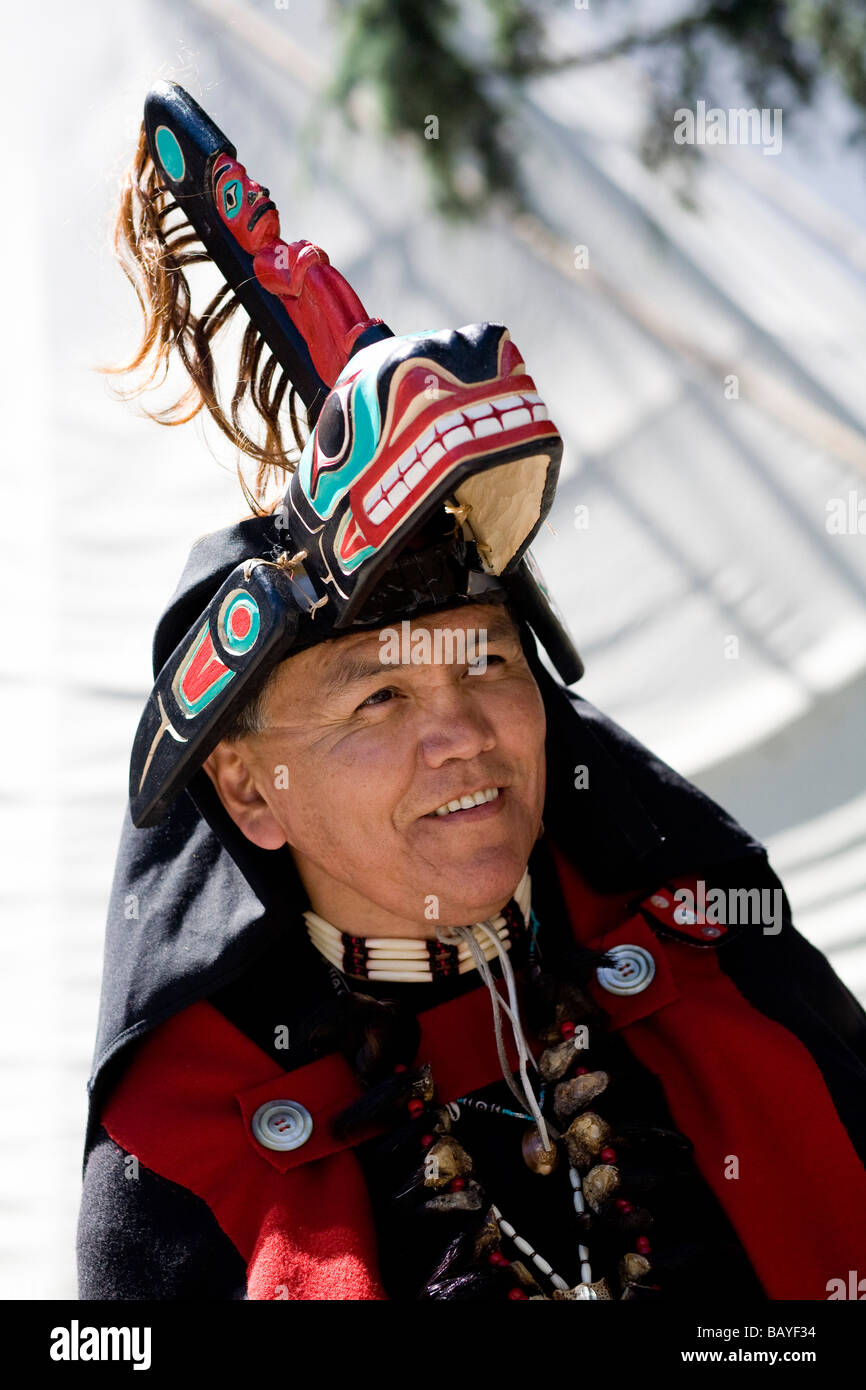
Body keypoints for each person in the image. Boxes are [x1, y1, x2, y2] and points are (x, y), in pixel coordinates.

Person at [77, 81, 866, 1302]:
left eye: (488, 661)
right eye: (377, 701)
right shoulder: (188, 1162)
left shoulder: (716, 967)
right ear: (248, 788)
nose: (461, 734)